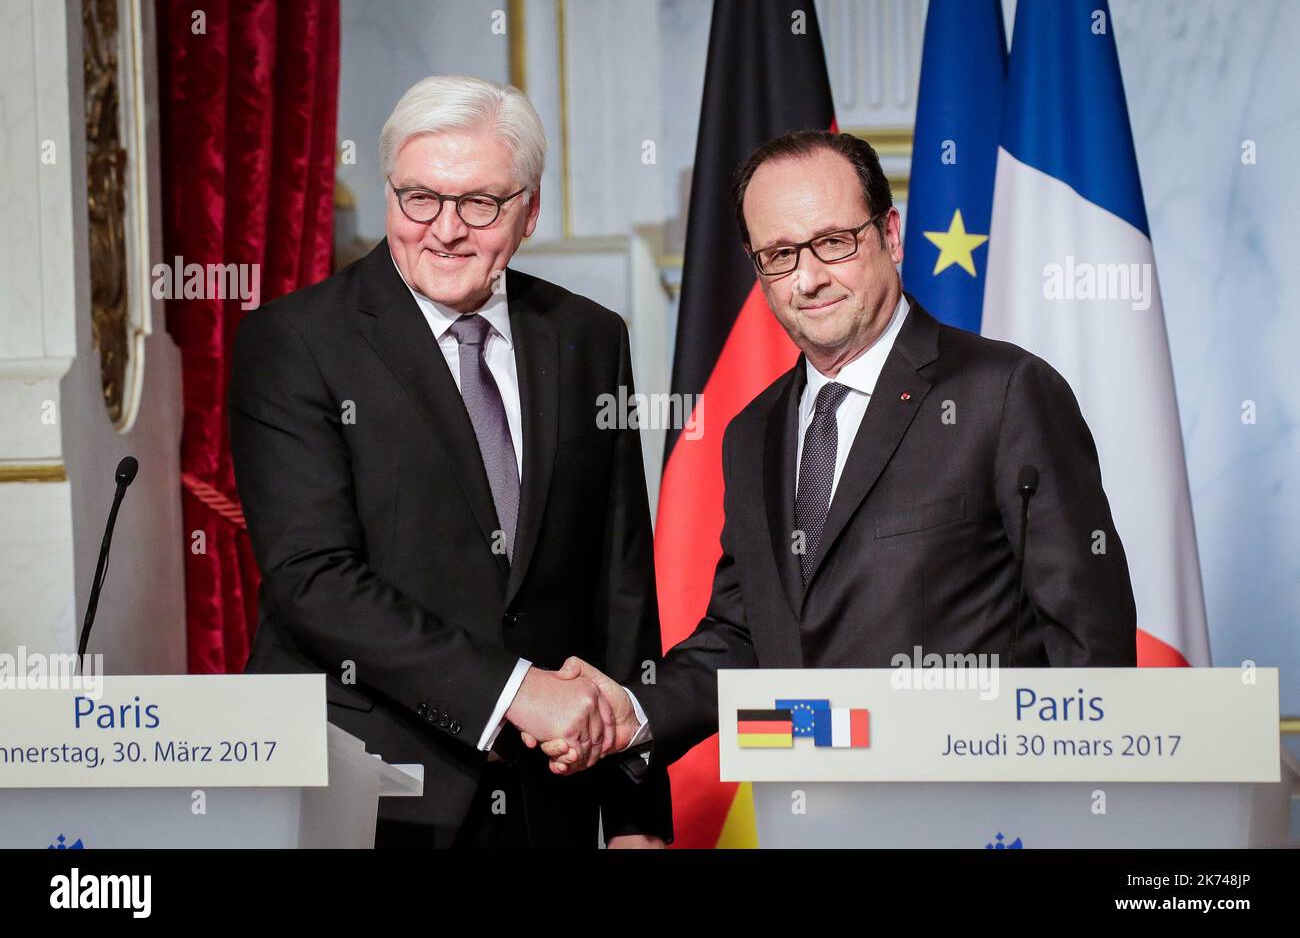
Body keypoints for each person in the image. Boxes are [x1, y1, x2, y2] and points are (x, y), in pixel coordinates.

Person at [526, 129, 1138, 776]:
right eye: (780, 254)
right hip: (806, 812)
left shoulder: (1005, 392)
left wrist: (1086, 812)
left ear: (890, 236)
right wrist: (633, 710)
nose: (809, 279)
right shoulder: (752, 432)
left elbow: (1088, 640)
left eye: (833, 243)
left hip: (982, 814)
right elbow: (743, 638)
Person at [229, 75, 670, 847]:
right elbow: (313, 579)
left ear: (530, 211)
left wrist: (637, 808)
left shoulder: (591, 339)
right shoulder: (295, 343)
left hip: (548, 797)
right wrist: (514, 692)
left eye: (480, 203)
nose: (445, 230)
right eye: (419, 199)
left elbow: (622, 583)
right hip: (365, 789)